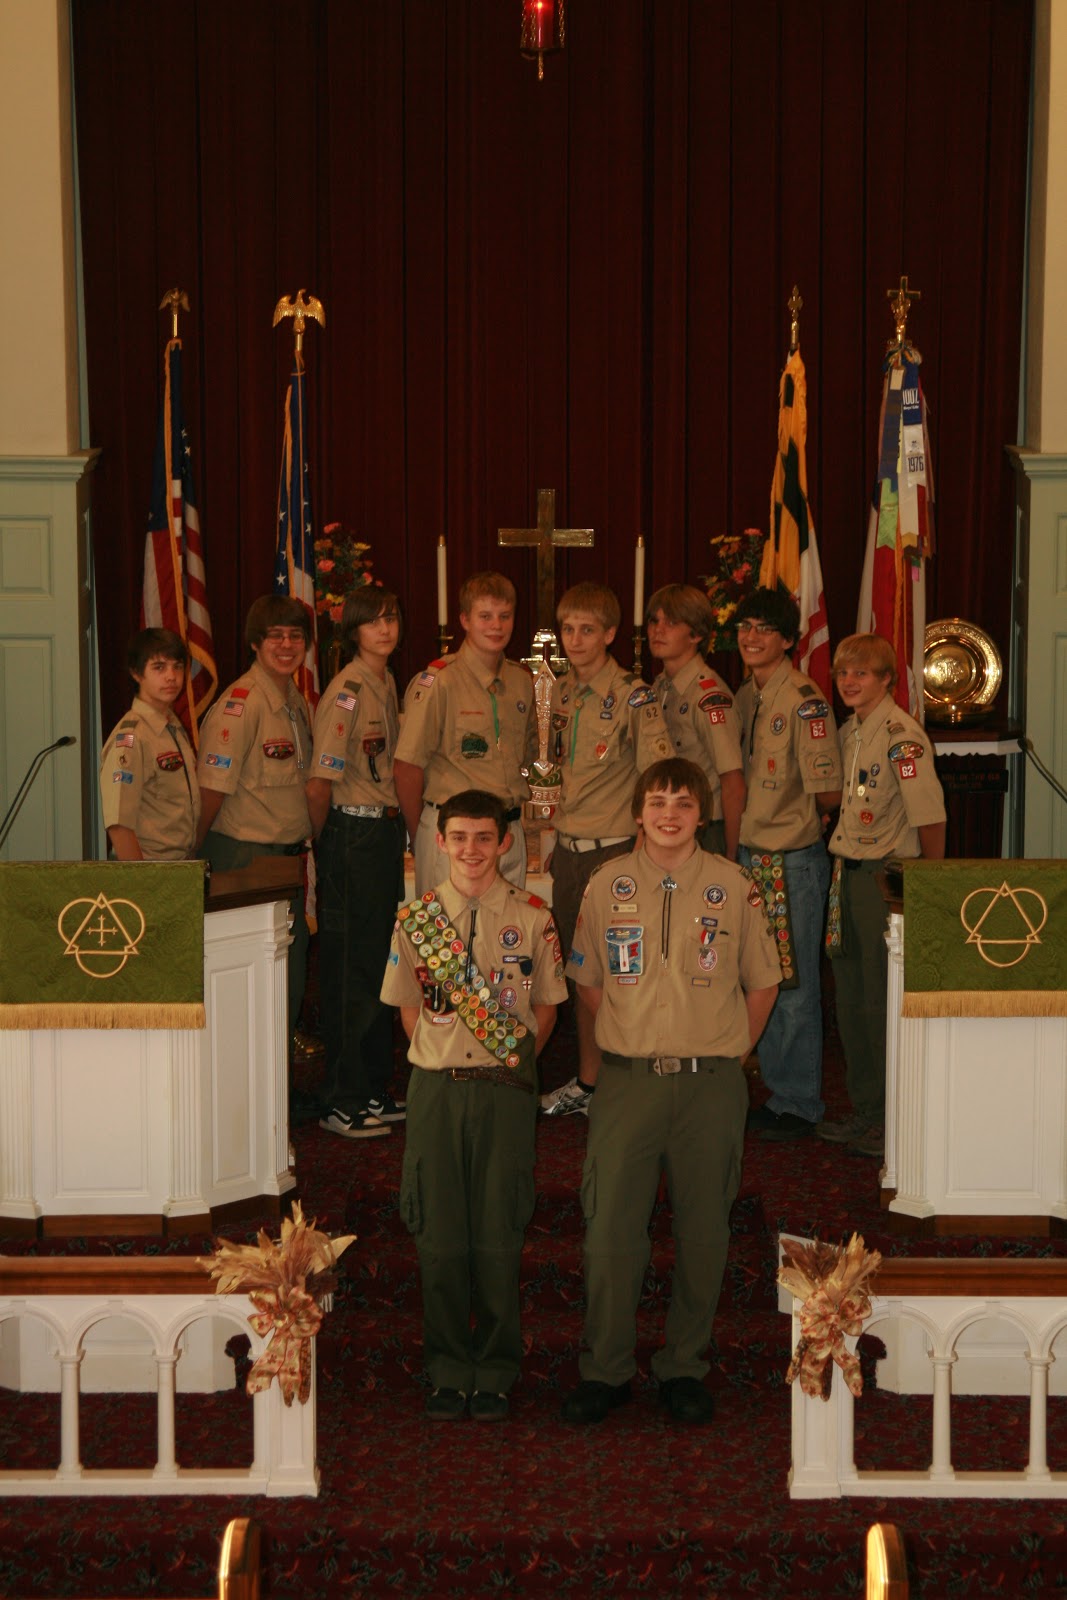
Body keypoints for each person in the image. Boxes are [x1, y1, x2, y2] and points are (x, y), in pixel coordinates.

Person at [561, 757, 780, 1425]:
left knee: (704, 1232)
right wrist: (599, 1061)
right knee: (609, 1234)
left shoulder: (732, 885)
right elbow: (588, 980)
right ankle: (606, 1369)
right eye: (656, 801)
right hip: (628, 1082)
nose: (668, 814)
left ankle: (684, 1366)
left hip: (708, 1087)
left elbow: (762, 982)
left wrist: (727, 1055)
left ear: (701, 815)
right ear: (636, 812)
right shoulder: (606, 884)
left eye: (683, 804)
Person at [381, 789, 567, 1421]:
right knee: (437, 1233)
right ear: (439, 841)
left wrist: (507, 1061)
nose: (471, 849)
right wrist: (448, 1053)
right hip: (435, 1091)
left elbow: (545, 1010)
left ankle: (495, 1367)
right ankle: (446, 1366)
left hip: (505, 1091)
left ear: (504, 842)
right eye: (458, 837)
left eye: (484, 837)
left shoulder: (535, 916)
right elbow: (410, 1013)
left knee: (498, 1230)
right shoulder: (416, 921)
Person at [539, 581, 673, 1120]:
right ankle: (591, 1085)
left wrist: (641, 856)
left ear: (611, 634)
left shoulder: (635, 696)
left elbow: (655, 778)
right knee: (580, 975)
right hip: (571, 853)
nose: (575, 639)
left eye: (587, 630)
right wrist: (554, 837)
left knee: (624, 975)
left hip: (616, 853)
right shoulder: (564, 693)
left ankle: (627, 1084)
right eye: (568, 629)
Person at [819, 633, 946, 1160]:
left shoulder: (901, 737)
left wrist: (929, 892)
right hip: (845, 875)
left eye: (862, 673)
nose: (850, 681)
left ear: (887, 680)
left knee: (879, 1002)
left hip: (883, 879)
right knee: (850, 1001)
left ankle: (895, 1115)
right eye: (844, 672)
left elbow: (931, 818)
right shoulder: (851, 732)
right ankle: (866, 1110)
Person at [733, 587, 843, 1140]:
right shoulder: (746, 696)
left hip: (791, 862)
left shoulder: (804, 700)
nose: (751, 637)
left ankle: (798, 1102)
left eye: (763, 629)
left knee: (793, 984)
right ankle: (778, 1091)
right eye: (744, 627)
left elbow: (828, 795)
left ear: (786, 640)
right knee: (758, 976)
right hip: (752, 857)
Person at [306, 586, 405, 1141]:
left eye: (391, 618)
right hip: (351, 831)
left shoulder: (385, 680)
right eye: (373, 622)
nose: (385, 629)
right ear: (354, 632)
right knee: (349, 971)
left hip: (382, 830)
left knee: (376, 964)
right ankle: (340, 1098)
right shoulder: (346, 691)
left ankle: (370, 1087)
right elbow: (320, 783)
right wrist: (323, 849)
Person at [196, 596, 314, 1057]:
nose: (287, 645)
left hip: (284, 862)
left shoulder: (292, 700)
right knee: (250, 980)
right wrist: (196, 855)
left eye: (296, 636)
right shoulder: (240, 706)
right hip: (244, 859)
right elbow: (211, 791)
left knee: (288, 974)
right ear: (254, 643)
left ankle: (276, 1081)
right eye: (276, 636)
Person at [393, 571, 536, 895]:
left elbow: (524, 756)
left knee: (507, 941)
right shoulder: (439, 681)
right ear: (464, 620)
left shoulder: (520, 681)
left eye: (504, 616)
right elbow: (407, 767)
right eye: (485, 616)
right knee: (448, 942)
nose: (496, 626)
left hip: (508, 831)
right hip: (455, 835)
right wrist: (423, 836)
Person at [646, 583, 746, 858]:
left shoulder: (709, 696)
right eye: (654, 620)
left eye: (672, 622)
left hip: (704, 830)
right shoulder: (660, 687)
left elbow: (733, 782)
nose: (658, 629)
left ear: (697, 634)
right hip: (666, 825)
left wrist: (730, 854)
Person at [100, 627, 200, 860]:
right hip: (149, 869)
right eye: (159, 667)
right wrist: (142, 885)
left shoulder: (172, 727)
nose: (171, 676)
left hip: (180, 865)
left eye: (177, 666)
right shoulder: (131, 738)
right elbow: (119, 825)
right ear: (136, 673)